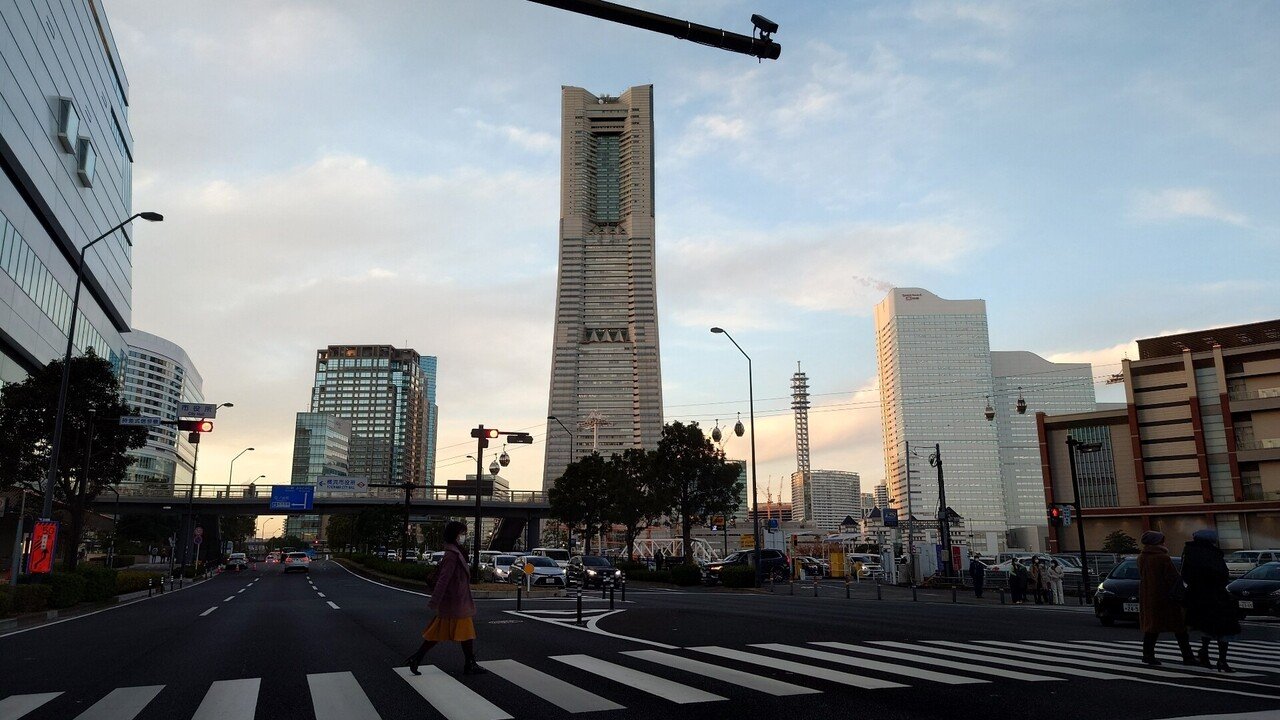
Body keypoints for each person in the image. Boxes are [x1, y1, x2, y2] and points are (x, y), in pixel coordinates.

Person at [406, 520, 485, 676]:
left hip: (456, 601)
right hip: (454, 601)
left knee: (450, 634)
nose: (463, 536)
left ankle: (417, 658)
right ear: (454, 535)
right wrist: (435, 601)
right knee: (458, 634)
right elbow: (444, 579)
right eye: (462, 533)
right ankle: (469, 663)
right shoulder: (452, 554)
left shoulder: (456, 551)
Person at [1182, 529, 1240, 672]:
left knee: (1205, 625)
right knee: (1225, 626)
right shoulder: (1213, 554)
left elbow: (1185, 574)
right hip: (1216, 594)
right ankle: (1222, 660)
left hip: (1197, 595)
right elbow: (1223, 574)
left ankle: (1205, 652)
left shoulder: (1189, 552)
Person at [1137, 531, 1195, 666]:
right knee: (1179, 627)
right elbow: (1172, 578)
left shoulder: (1141, 557)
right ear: (1157, 542)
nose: (1164, 542)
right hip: (1166, 597)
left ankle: (1148, 654)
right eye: (1162, 540)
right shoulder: (1162, 558)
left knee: (1152, 627)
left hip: (1148, 595)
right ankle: (1188, 656)